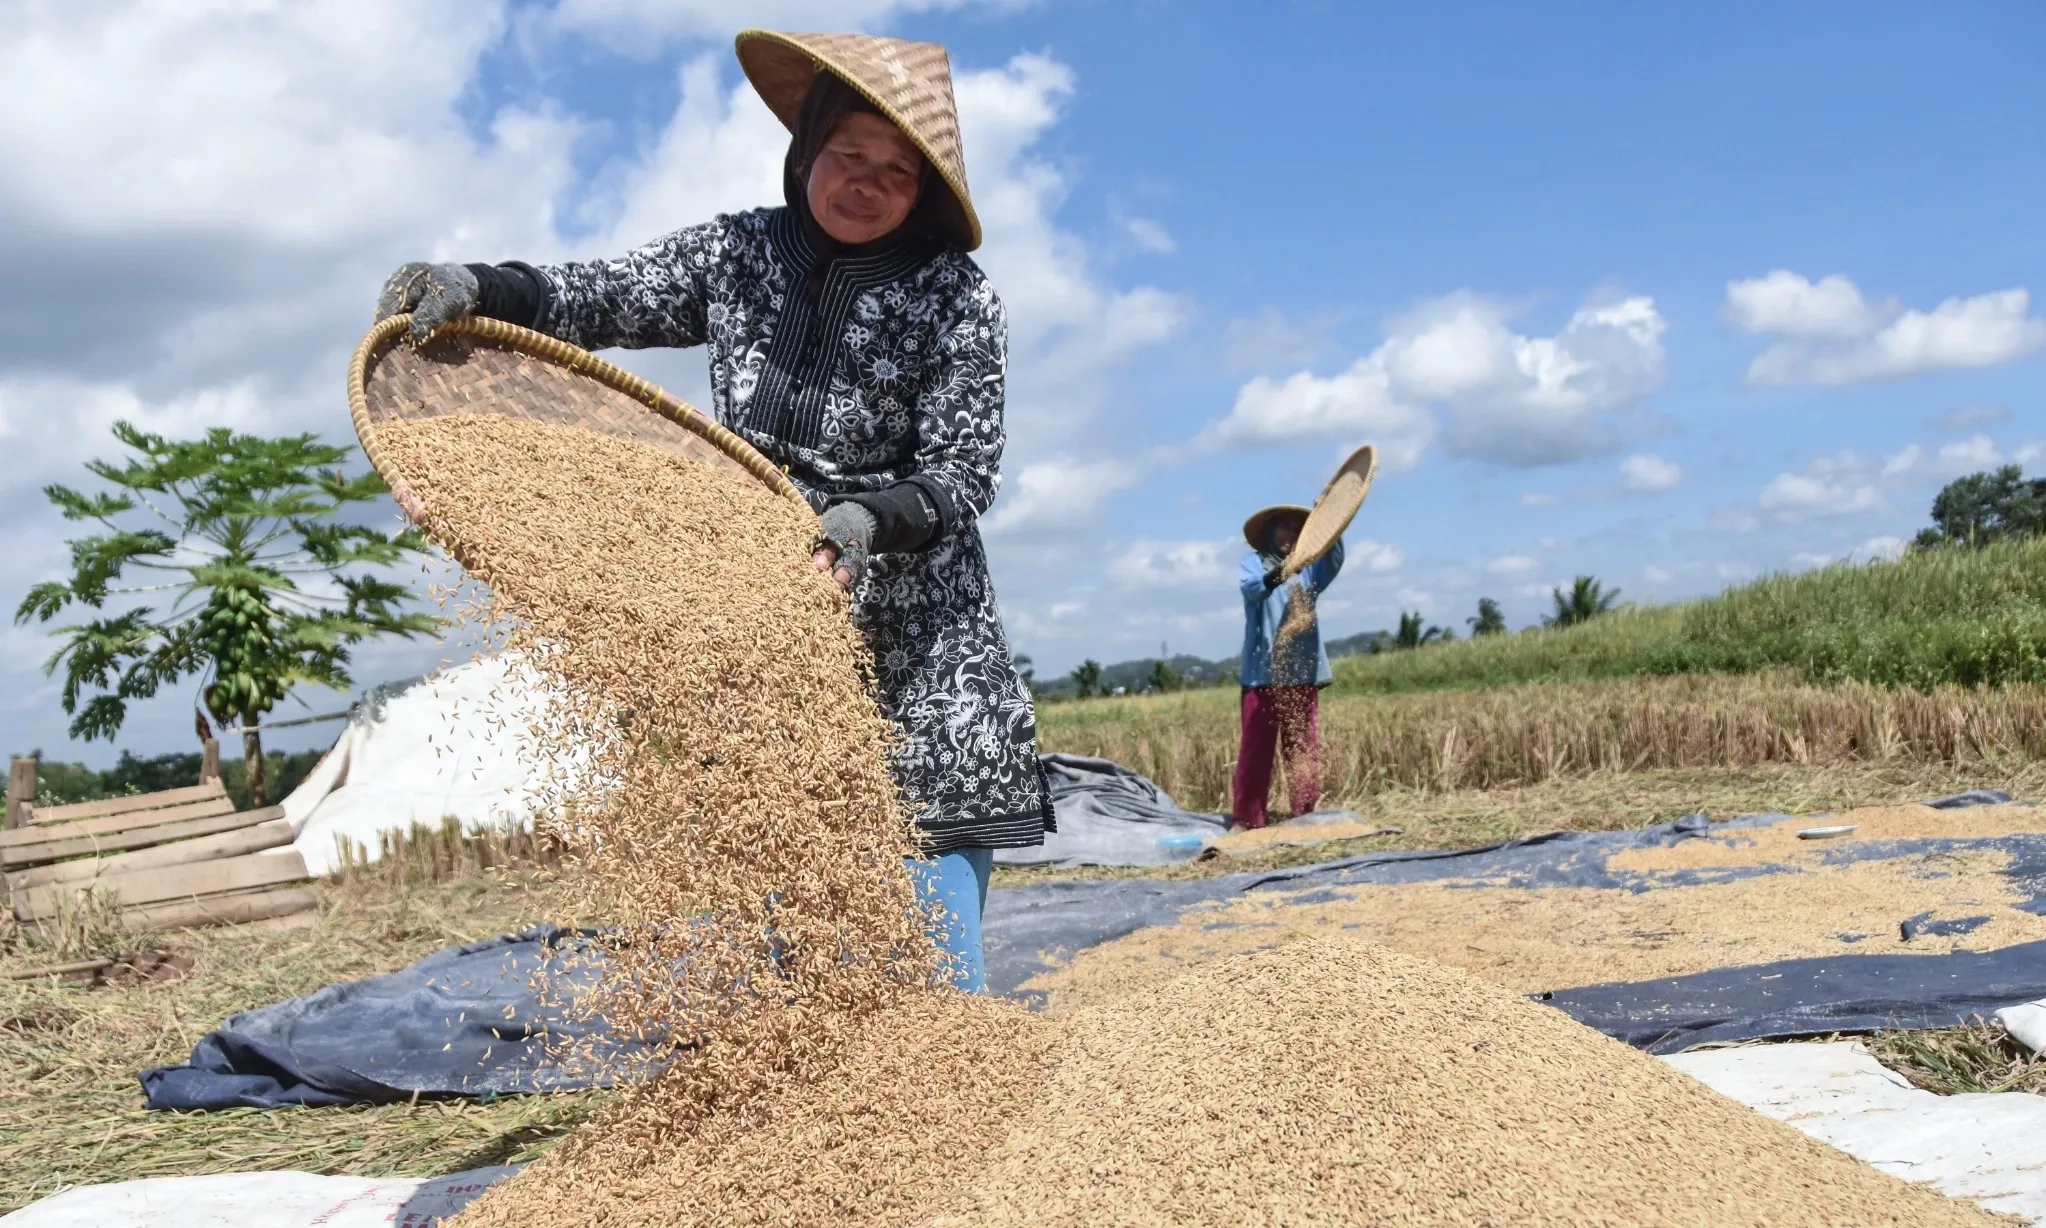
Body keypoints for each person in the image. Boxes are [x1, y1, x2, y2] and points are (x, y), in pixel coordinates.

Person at [372, 30, 1050, 993]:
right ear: (806, 152)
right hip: (766, 611)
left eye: (897, 172)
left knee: (930, 917)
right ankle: (811, 1062)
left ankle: (950, 1061)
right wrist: (484, 286)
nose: (866, 183)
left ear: (925, 193)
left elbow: (963, 472)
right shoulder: (740, 254)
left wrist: (865, 522)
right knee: (791, 875)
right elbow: (601, 295)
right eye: (848, 154)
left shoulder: (956, 300)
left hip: (918, 635)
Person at [1233, 505, 1345, 831]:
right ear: (1270, 532)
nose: (1291, 535)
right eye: (1284, 527)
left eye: (1298, 530)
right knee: (1255, 752)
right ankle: (1248, 820)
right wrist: (1280, 573)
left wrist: (1333, 520)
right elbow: (1253, 588)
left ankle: (1304, 815)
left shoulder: (1309, 571)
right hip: (1262, 676)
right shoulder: (1255, 563)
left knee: (1301, 750)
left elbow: (1334, 560)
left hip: (1300, 675)